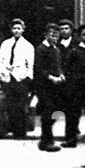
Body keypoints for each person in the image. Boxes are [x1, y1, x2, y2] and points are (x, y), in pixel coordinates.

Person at [57, 19, 85, 148]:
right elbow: (66, 67)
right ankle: (71, 140)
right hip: (76, 87)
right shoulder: (75, 51)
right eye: (84, 34)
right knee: (73, 114)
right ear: (80, 36)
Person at [0, 18, 34, 139]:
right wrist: (1, 73)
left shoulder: (28, 46)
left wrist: (28, 78)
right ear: (11, 30)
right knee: (9, 104)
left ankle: (20, 132)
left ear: (23, 30)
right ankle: (10, 128)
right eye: (14, 28)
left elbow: (30, 65)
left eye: (19, 28)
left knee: (20, 106)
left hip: (21, 78)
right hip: (7, 78)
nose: (16, 31)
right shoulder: (5, 44)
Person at [33, 23, 66, 151]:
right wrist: (51, 78)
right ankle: (47, 141)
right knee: (48, 111)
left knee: (56, 111)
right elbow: (39, 68)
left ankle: (45, 139)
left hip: (55, 86)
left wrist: (61, 74)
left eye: (57, 36)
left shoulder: (56, 50)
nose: (55, 38)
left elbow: (59, 65)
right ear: (46, 35)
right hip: (44, 86)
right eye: (52, 35)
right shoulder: (41, 49)